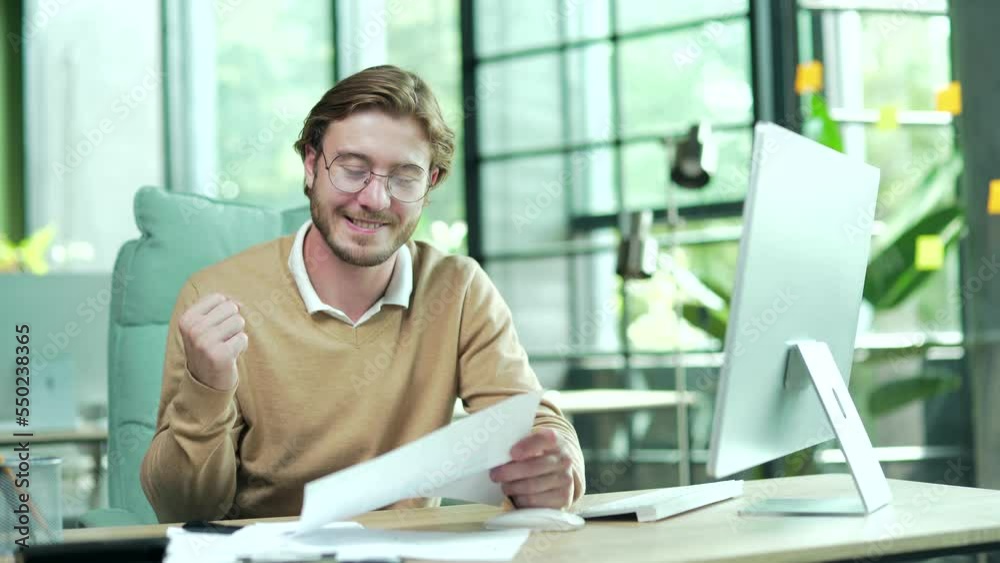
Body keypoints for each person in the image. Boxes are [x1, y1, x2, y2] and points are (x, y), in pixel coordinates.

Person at [140, 65, 586, 523]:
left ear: (430, 184)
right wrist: (206, 388)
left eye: (404, 177)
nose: (375, 199)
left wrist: (555, 469)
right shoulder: (216, 297)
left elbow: (533, 423)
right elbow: (181, 508)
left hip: (406, 554)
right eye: (353, 169)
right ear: (311, 164)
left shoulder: (459, 290)